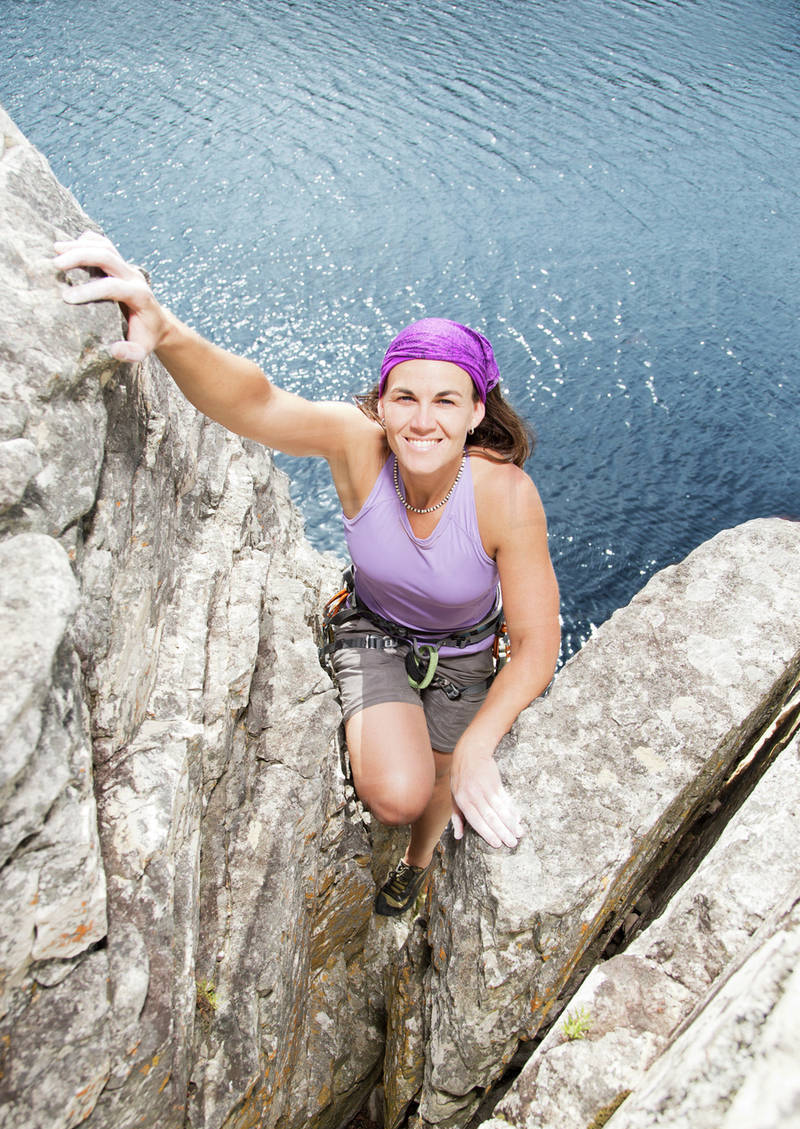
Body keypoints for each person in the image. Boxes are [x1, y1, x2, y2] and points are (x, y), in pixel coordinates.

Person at [54, 231, 561, 917]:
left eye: (447, 401)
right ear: (380, 404)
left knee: (447, 771)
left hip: (469, 655)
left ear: (477, 413)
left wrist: (477, 747)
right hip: (375, 635)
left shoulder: (504, 495)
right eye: (404, 397)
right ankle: (388, 760)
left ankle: (416, 863)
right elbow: (258, 402)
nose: (421, 420)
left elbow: (535, 644)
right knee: (398, 795)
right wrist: (164, 328)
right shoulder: (359, 445)